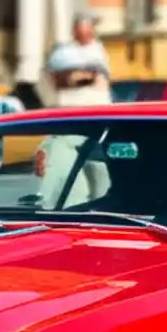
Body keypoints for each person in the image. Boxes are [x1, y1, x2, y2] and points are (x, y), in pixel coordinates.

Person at [35, 13, 113, 208]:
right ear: (75, 30)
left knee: (102, 182)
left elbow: (100, 77)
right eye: (83, 29)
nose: (87, 33)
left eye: (89, 29)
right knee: (68, 186)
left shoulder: (98, 50)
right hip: (72, 121)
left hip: (101, 122)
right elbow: (62, 78)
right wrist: (84, 76)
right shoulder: (64, 53)